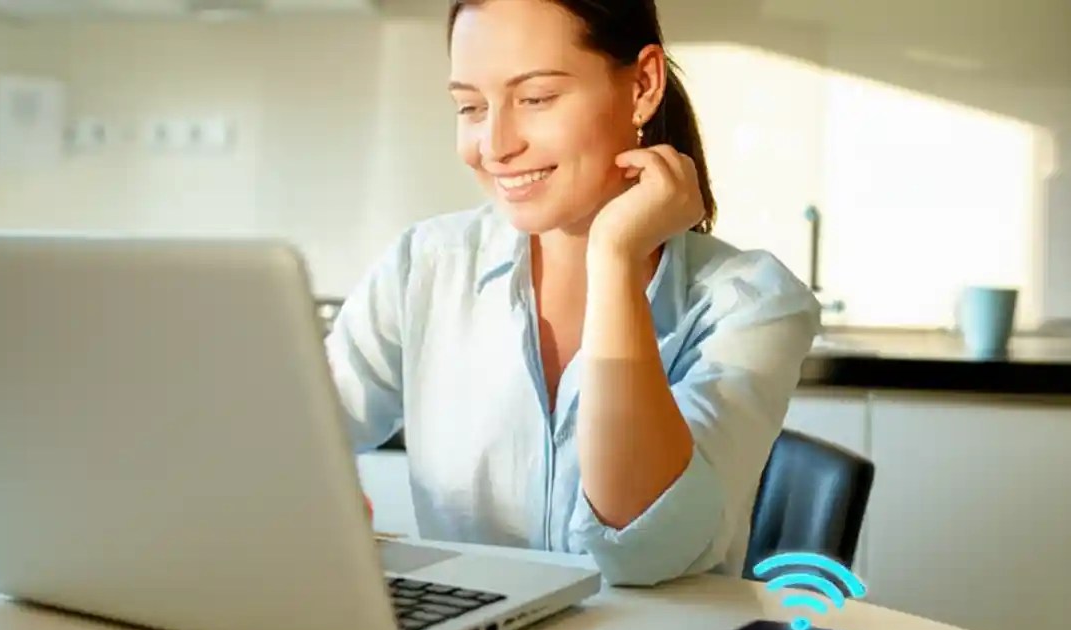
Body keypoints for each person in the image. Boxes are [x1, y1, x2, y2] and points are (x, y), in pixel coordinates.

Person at [325, 0, 821, 587]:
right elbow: (288, 441)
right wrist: (305, 494)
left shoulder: (750, 303)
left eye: (535, 98)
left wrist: (614, 257)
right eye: (471, 107)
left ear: (642, 84)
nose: (496, 144)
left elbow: (645, 549)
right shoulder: (423, 268)